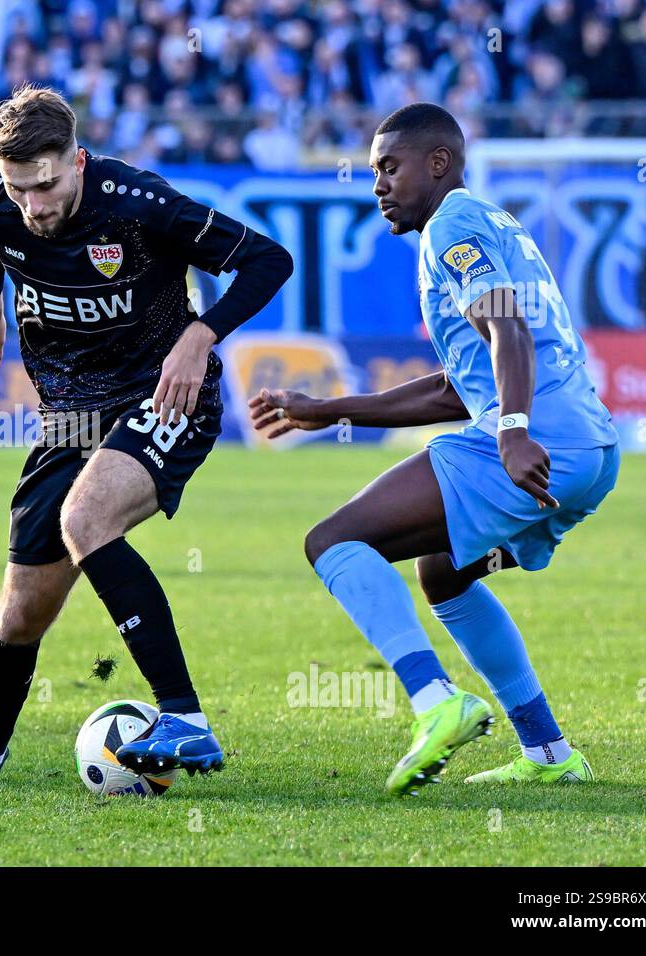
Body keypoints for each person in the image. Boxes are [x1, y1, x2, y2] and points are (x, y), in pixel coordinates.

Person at [0, 85, 293, 783]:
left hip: (166, 397)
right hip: (67, 419)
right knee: (19, 614)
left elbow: (269, 260)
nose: (34, 206)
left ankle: (187, 721)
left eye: (46, 186)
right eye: (21, 190)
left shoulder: (140, 204)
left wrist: (201, 333)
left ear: (77, 161)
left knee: (87, 515)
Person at [250, 103, 618, 794]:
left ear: (437, 163)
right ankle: (548, 752)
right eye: (372, 173)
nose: (378, 185)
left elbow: (507, 329)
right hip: (589, 449)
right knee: (443, 571)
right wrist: (327, 410)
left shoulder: (453, 223)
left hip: (540, 441)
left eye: (389, 168)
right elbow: (457, 390)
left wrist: (511, 434)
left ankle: (435, 701)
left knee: (333, 541)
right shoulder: (491, 226)